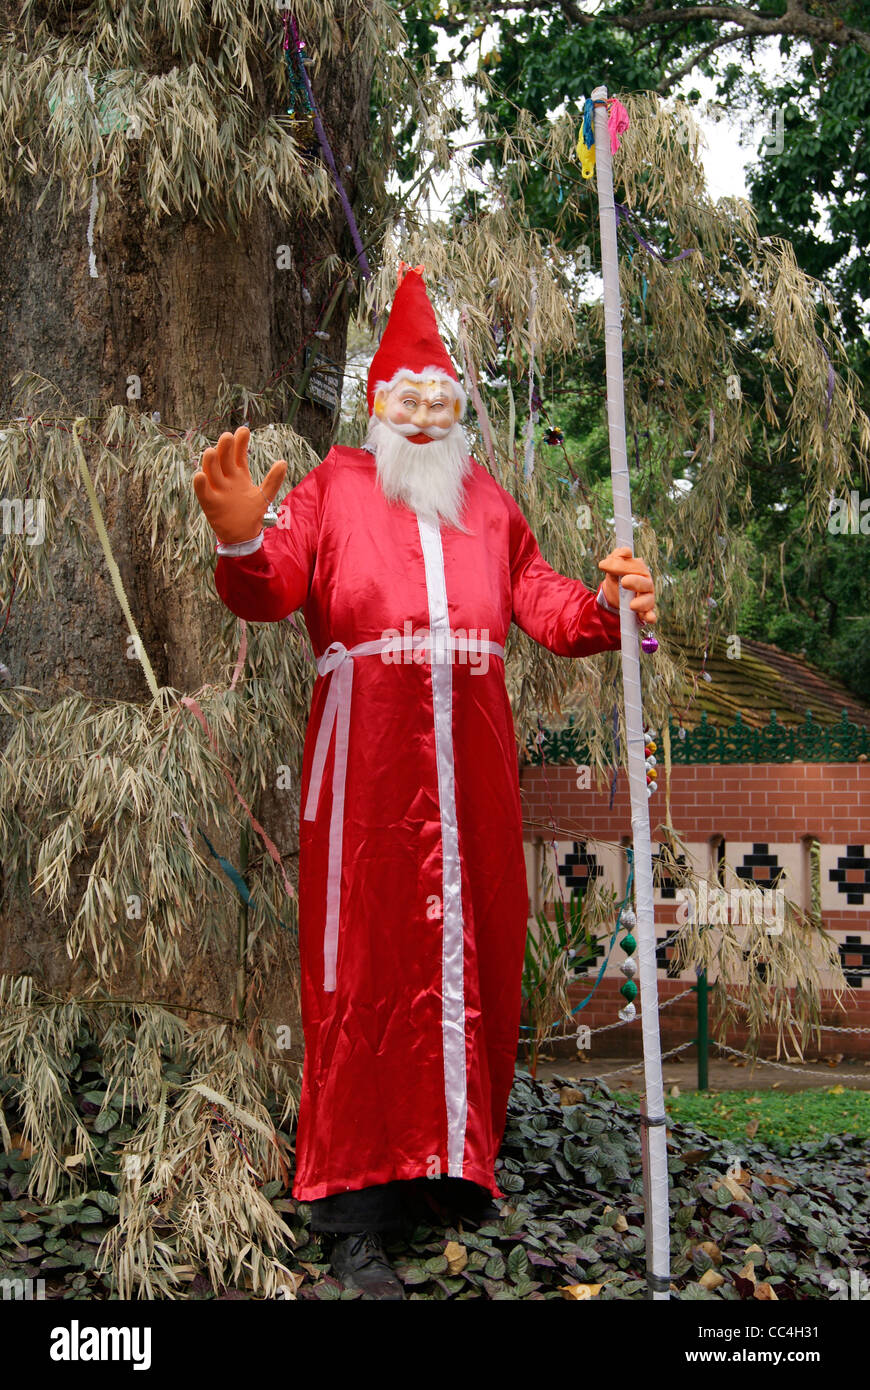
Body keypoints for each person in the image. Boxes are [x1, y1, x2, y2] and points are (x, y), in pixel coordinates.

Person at [193, 265, 656, 1299]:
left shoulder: (487, 502)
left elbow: (545, 603)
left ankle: (452, 1166)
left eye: (441, 396)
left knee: (473, 952)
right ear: (376, 404)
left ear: (458, 412)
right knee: (363, 971)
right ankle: (357, 1209)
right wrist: (235, 535)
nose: (424, 410)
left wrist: (611, 601)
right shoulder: (329, 490)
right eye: (406, 394)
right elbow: (267, 590)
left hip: (474, 773)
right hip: (366, 777)